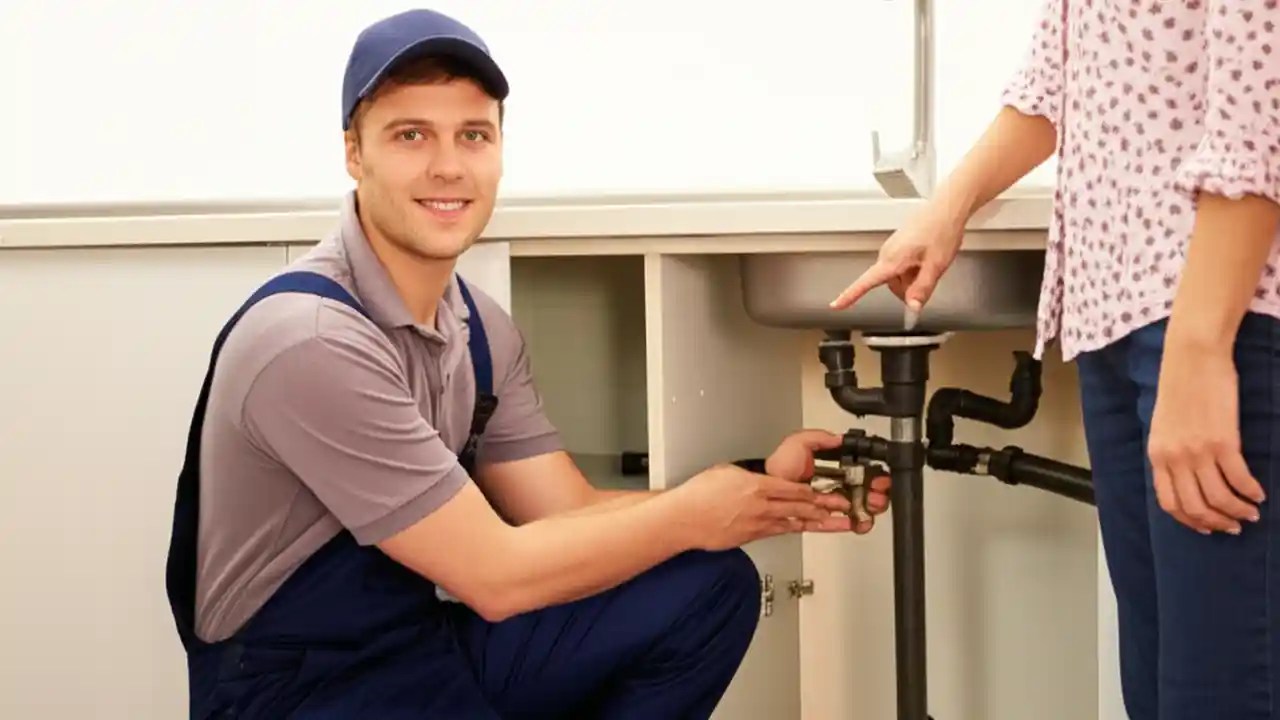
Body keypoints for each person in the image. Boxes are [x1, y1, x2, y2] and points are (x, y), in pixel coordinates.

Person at [161, 8, 890, 719]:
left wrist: (757, 488)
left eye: (473, 135)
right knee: (662, 549)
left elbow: (568, 512)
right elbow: (496, 576)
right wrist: (696, 512)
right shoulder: (310, 340)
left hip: (421, 652)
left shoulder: (479, 330)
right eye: (411, 135)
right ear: (355, 153)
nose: (448, 166)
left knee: (706, 585)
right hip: (295, 692)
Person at [831, 2, 1279, 718]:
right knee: (1158, 685)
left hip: (1220, 316)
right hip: (1115, 318)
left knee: (1219, 691)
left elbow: (1259, 114)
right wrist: (946, 209)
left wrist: (1198, 350)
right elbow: (1054, 82)